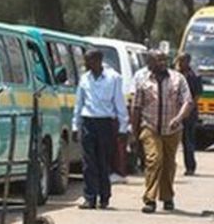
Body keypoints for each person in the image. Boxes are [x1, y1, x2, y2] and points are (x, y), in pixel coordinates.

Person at [132, 50, 193, 214]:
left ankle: (167, 196)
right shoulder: (142, 80)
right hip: (150, 126)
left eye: (164, 60)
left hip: (172, 128)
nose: (162, 63)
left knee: (168, 163)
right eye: (158, 60)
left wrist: (178, 118)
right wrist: (134, 131)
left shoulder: (178, 79)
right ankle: (150, 199)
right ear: (150, 63)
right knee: (154, 159)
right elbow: (136, 107)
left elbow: (188, 102)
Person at [73, 49, 129, 210]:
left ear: (98, 60)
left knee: (103, 161)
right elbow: (79, 103)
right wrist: (76, 125)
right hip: (88, 122)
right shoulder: (84, 79)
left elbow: (119, 103)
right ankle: (89, 197)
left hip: (105, 123)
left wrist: (123, 127)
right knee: (88, 162)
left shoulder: (113, 78)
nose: (86, 64)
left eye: (89, 60)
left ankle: (104, 197)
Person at [175, 53, 203, 176]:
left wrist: (187, 111)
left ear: (188, 61)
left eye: (182, 61)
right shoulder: (174, 75)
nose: (180, 63)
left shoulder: (195, 77)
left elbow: (196, 96)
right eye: (179, 61)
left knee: (188, 142)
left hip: (189, 115)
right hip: (173, 112)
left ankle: (190, 167)